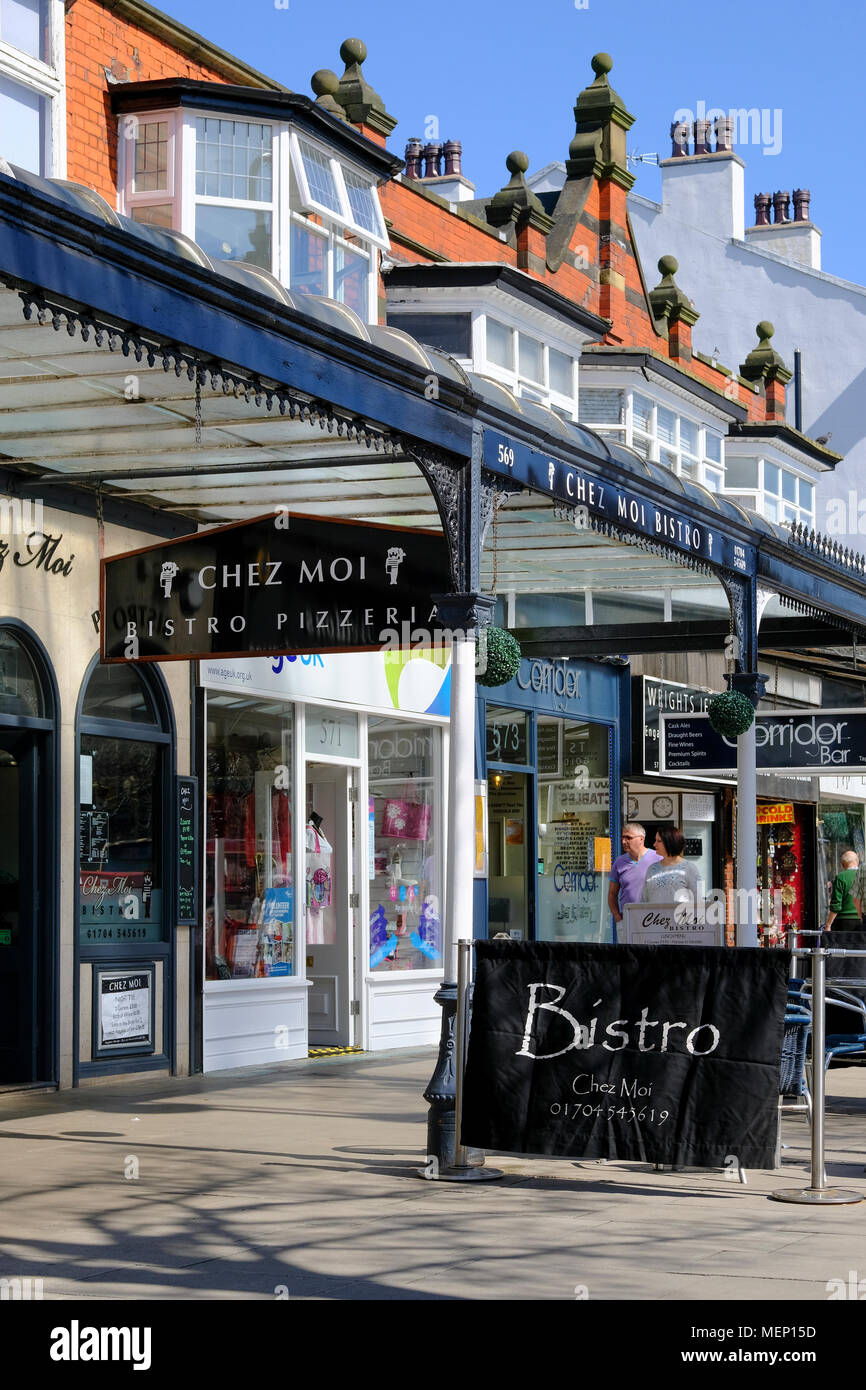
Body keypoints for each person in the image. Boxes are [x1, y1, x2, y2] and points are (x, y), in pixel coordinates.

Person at [608, 823, 661, 926]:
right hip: (628, 920)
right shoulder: (619, 862)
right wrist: (617, 918)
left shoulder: (658, 858)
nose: (623, 841)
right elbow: (612, 894)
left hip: (654, 920)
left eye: (628, 838)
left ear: (641, 839)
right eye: (623, 837)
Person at [640, 826, 703, 906]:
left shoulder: (689, 868)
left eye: (659, 841)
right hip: (654, 918)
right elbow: (644, 900)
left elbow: (699, 901)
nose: (654, 844)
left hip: (680, 918)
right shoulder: (652, 868)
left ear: (670, 842)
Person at [831, 850, 862, 930]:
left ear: (843, 865)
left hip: (843, 921)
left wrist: (828, 924)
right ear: (857, 861)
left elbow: (836, 905)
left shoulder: (841, 877)